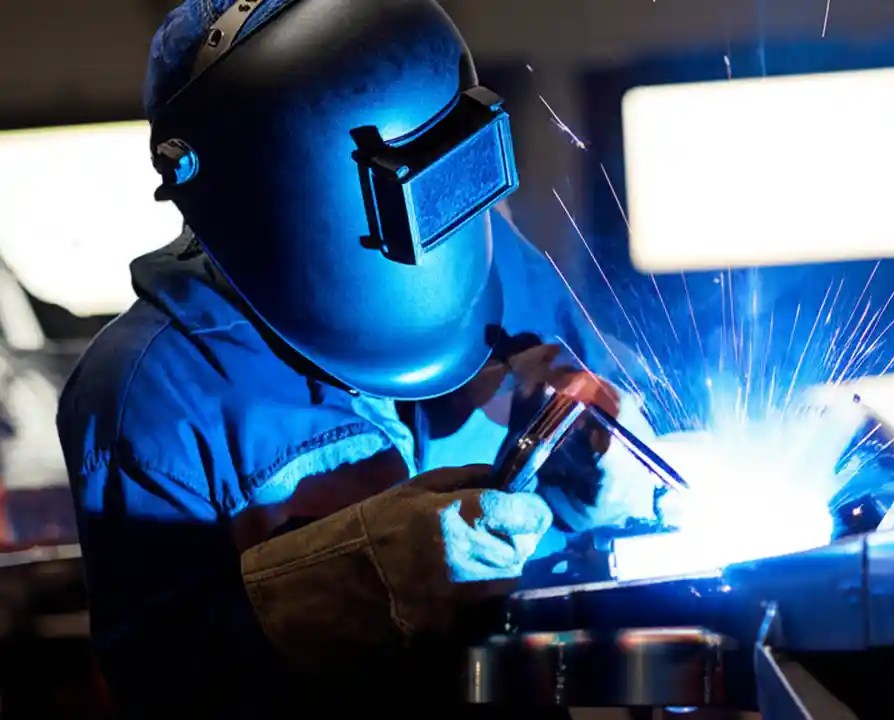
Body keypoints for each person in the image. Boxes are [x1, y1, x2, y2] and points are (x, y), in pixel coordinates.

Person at [55, 0, 657, 716]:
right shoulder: (146, 394)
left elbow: (601, 500)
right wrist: (358, 578)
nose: (443, 218)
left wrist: (607, 480)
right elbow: (166, 680)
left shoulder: (499, 268)